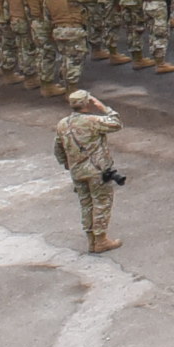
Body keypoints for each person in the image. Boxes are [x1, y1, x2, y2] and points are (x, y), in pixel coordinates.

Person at [56, 89, 123, 252]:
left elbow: (58, 148)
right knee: (101, 203)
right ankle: (101, 240)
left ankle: (91, 240)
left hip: (77, 171)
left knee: (86, 204)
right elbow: (117, 123)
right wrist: (103, 107)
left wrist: (67, 164)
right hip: (97, 170)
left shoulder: (62, 124)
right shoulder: (92, 121)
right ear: (87, 103)